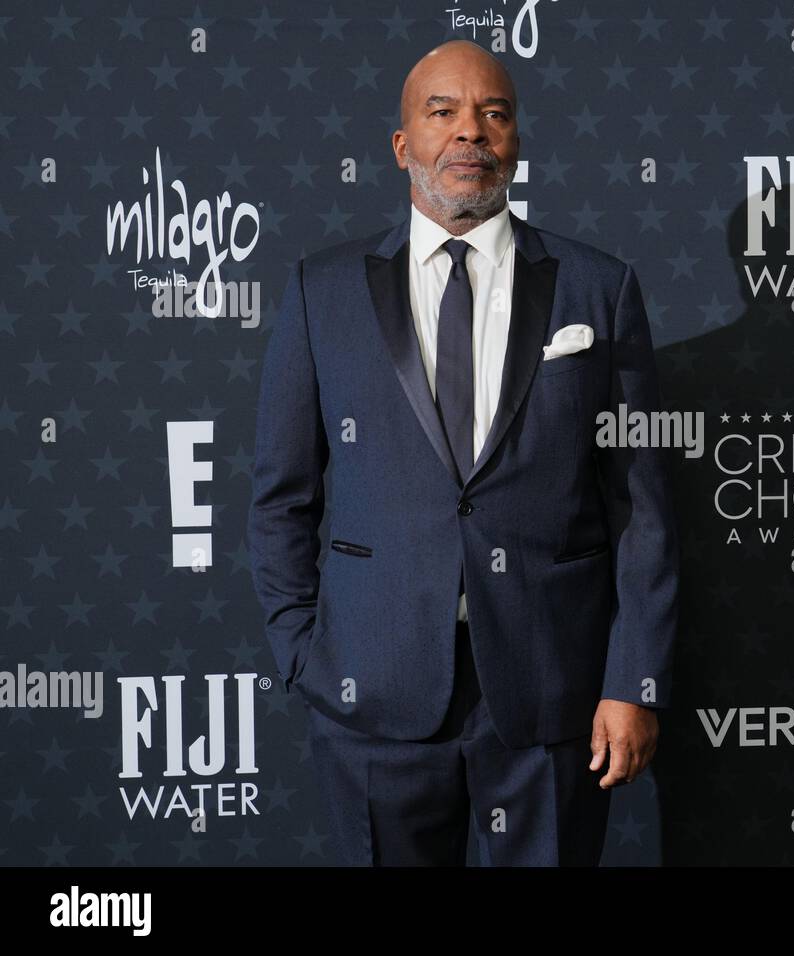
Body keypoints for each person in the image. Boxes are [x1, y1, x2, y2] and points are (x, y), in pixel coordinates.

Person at [247, 39, 679, 866]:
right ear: (403, 145)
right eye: (442, 112)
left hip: (551, 688)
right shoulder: (321, 291)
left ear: (517, 140)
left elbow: (642, 508)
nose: (469, 132)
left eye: (494, 113)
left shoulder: (598, 287)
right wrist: (304, 654)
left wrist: (632, 680)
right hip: (370, 693)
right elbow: (281, 500)